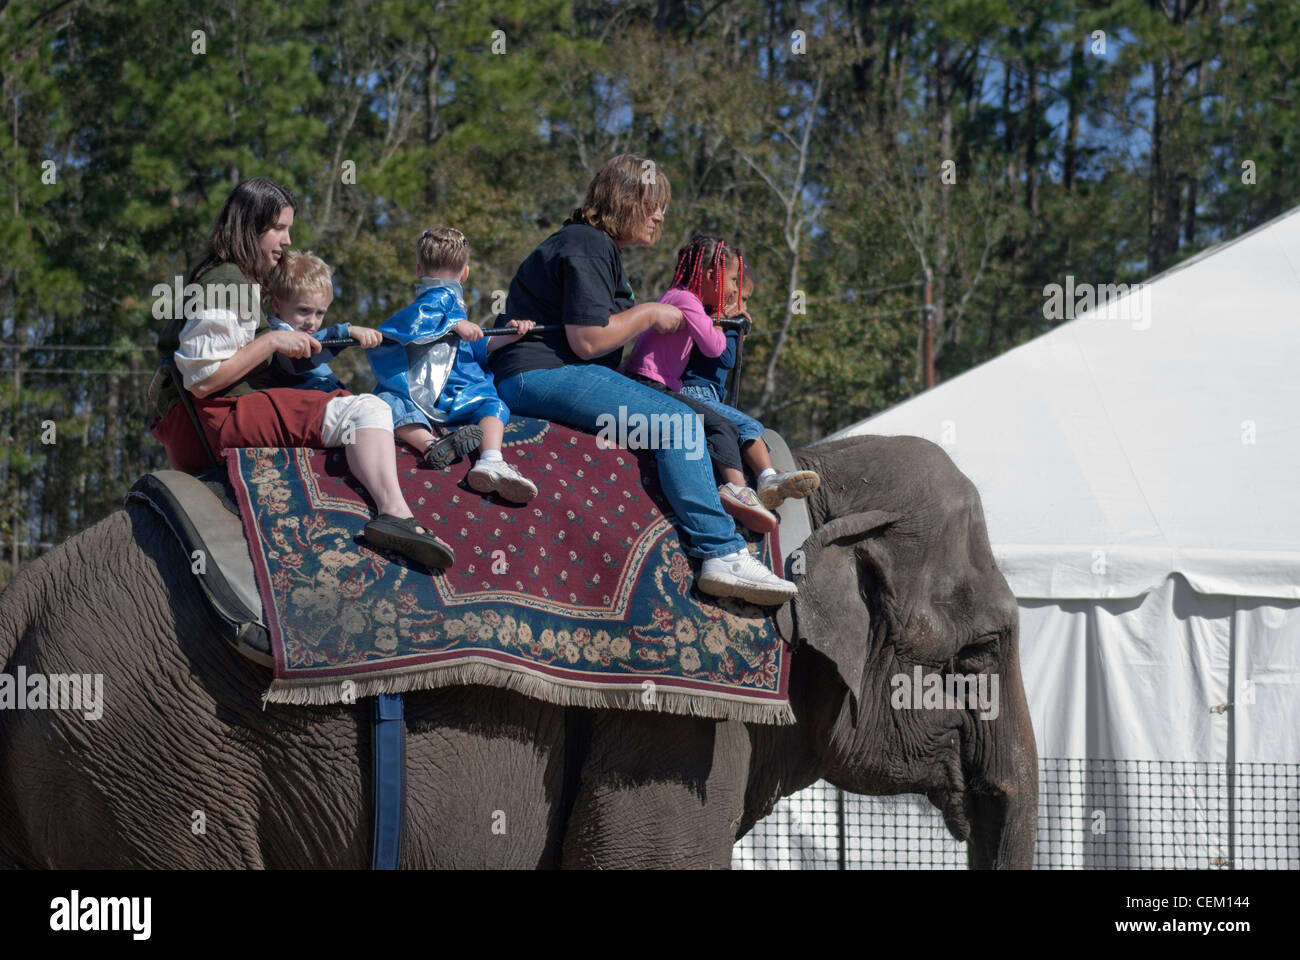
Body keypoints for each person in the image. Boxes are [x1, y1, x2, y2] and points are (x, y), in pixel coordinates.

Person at [489, 154, 797, 606]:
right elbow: (589, 340)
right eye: (653, 204)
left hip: (542, 372)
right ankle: (720, 553)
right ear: (625, 199)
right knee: (679, 423)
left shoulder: (588, 244)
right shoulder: (588, 244)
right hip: (538, 374)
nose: (660, 216)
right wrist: (650, 311)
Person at [149, 177, 456, 569]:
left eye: (288, 228)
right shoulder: (227, 281)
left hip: (212, 414)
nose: (287, 240)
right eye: (279, 228)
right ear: (250, 226)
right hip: (212, 417)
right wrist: (273, 343)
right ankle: (395, 515)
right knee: (369, 411)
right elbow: (203, 380)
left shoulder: (231, 279)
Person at [622, 234, 817, 529]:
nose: (734, 293)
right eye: (733, 282)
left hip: (664, 383)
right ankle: (744, 487)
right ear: (713, 276)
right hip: (653, 382)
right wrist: (729, 326)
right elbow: (717, 351)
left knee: (732, 425)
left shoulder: (684, 299)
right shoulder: (687, 300)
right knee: (732, 425)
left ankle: (759, 482)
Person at [369, 227, 538, 503]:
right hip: (419, 390)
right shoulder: (429, 310)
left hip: (460, 390)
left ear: (418, 269)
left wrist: (509, 334)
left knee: (491, 401)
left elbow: (475, 346)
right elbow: (409, 324)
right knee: (389, 403)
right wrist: (453, 324)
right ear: (466, 272)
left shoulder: (459, 312)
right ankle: (434, 446)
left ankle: (491, 460)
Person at [675, 260, 820, 512]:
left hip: (707, 394)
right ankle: (765, 477)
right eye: (740, 297)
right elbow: (725, 358)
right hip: (693, 391)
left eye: (746, 300)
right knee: (748, 425)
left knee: (732, 427)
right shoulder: (709, 322)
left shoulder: (709, 319)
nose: (743, 305)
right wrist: (733, 328)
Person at [265, 249, 383, 392]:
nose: (311, 321)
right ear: (277, 305)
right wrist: (346, 333)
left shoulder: (310, 343)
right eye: (303, 310)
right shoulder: (275, 333)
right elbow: (297, 361)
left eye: (320, 313)